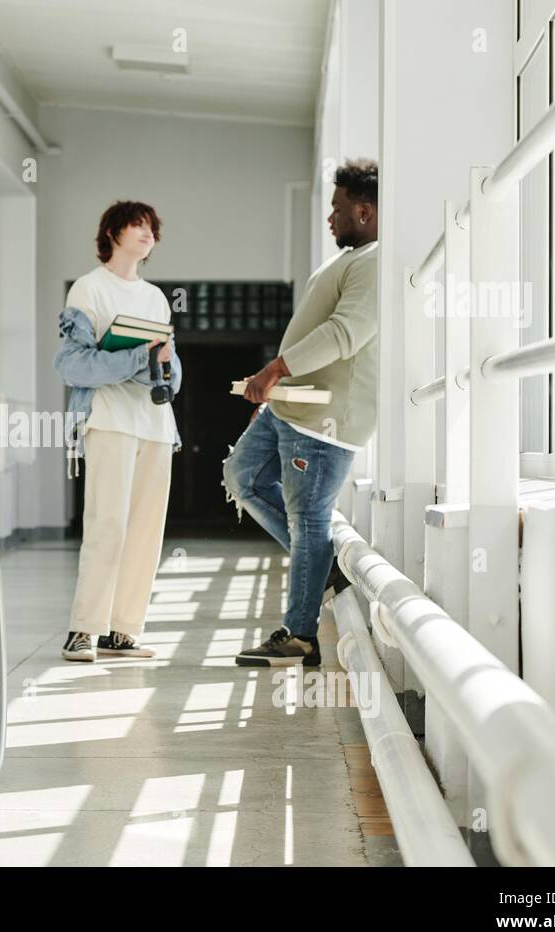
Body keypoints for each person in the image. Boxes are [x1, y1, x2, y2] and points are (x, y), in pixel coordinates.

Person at [222, 159, 379, 667]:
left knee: (308, 518)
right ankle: (325, 563)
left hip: (326, 417)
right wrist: (276, 391)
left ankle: (300, 636)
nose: (331, 218)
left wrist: (272, 372)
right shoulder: (349, 259)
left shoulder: (375, 261)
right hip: (293, 406)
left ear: (365, 209)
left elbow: (343, 335)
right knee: (240, 475)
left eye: (337, 209)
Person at [54, 201, 183, 663]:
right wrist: (137, 359)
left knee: (147, 530)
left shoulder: (154, 297)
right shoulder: (88, 290)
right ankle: (84, 629)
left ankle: (125, 630)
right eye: (138, 225)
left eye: (153, 227)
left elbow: (172, 371)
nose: (148, 234)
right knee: (107, 524)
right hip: (108, 420)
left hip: (155, 424)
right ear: (112, 232)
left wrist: (159, 364)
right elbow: (73, 365)